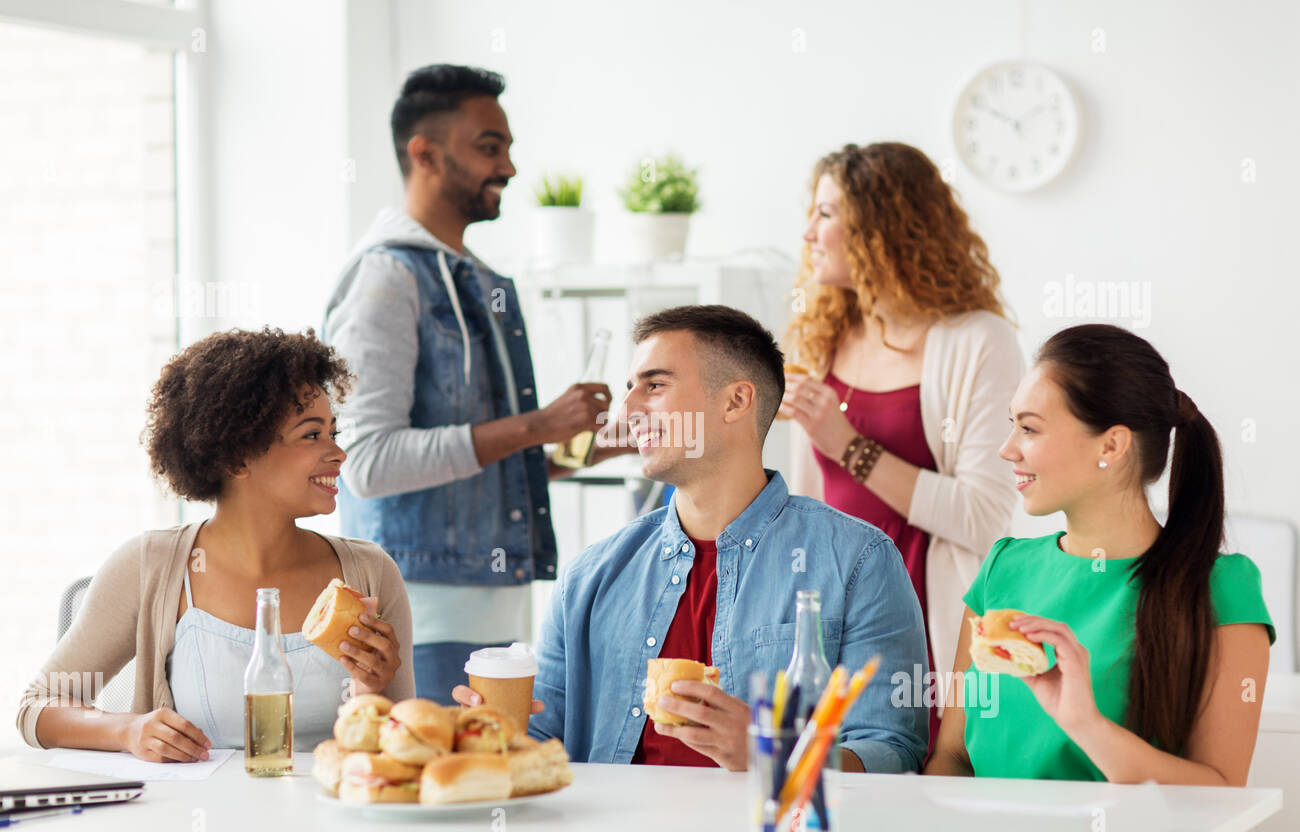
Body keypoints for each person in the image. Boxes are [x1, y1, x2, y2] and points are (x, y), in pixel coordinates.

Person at [456, 305, 930, 772]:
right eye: (630, 390)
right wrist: (484, 734)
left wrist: (775, 756)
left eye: (655, 386)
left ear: (735, 401)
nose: (628, 410)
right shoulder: (588, 576)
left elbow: (890, 751)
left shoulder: (858, 560)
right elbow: (542, 742)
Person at [322, 64, 622, 705]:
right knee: (432, 785)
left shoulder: (479, 281)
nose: (509, 167)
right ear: (424, 154)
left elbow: (490, 471)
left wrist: (608, 444)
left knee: (484, 786)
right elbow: (368, 464)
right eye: (490, 147)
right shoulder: (386, 279)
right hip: (419, 618)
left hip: (499, 612)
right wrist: (539, 424)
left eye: (508, 147)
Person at [15, 328, 414, 760]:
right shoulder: (149, 566)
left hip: (330, 822)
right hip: (190, 823)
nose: (339, 453)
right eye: (312, 435)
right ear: (237, 457)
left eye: (334, 433)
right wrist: (127, 730)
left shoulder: (370, 573)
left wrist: (370, 688)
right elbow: (36, 707)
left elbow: (401, 750)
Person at [924, 324, 1273, 783]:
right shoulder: (1001, 568)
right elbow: (952, 758)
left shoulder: (1221, 589)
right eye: (1013, 426)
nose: (1007, 450)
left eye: (1029, 428)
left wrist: (1086, 725)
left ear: (1111, 446)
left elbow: (1221, 790)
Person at [780, 142, 1023, 753]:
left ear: (881, 228)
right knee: (831, 796)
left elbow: (983, 516)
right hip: (836, 614)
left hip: (930, 617)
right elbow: (808, 511)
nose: (808, 232)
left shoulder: (978, 341)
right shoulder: (826, 338)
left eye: (827, 214)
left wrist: (849, 446)